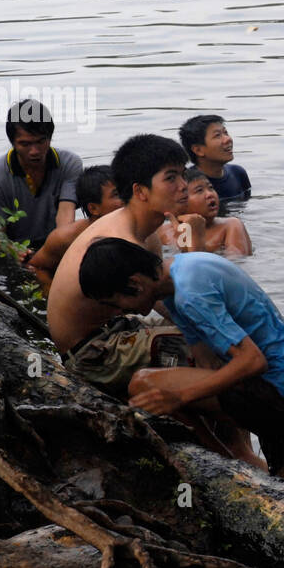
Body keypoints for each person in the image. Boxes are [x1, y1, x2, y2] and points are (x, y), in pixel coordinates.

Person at [78, 238, 284, 497]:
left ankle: (226, 462)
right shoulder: (182, 271)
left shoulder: (190, 295)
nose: (118, 313)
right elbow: (207, 360)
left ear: (135, 284)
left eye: (115, 303)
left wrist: (180, 397)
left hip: (281, 396)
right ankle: (227, 460)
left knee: (144, 384)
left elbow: (252, 360)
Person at [46, 134, 203, 396]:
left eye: (183, 175)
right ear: (140, 191)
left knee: (221, 336)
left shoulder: (144, 227)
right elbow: (192, 297)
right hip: (93, 353)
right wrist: (195, 246)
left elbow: (166, 299)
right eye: (171, 178)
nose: (183, 186)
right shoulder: (121, 243)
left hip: (120, 328)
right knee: (215, 348)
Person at [0, 98, 84, 253]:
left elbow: (66, 214)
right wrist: (15, 252)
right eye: (25, 144)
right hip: (17, 248)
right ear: (13, 142)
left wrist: (57, 248)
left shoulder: (69, 164)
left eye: (40, 142)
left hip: (54, 242)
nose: (35, 151)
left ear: (50, 137)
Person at [26, 165, 123, 295]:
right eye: (117, 194)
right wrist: (52, 294)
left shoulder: (139, 225)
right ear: (93, 208)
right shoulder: (66, 238)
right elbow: (37, 267)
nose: (126, 198)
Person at [157, 167, 253, 256]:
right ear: (181, 201)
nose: (209, 194)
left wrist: (195, 241)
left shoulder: (231, 225)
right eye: (199, 191)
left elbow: (237, 262)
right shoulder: (164, 232)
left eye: (210, 188)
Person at [178, 114, 251, 203]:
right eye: (217, 135)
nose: (227, 139)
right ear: (198, 150)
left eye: (225, 133)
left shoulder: (238, 173)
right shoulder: (187, 182)